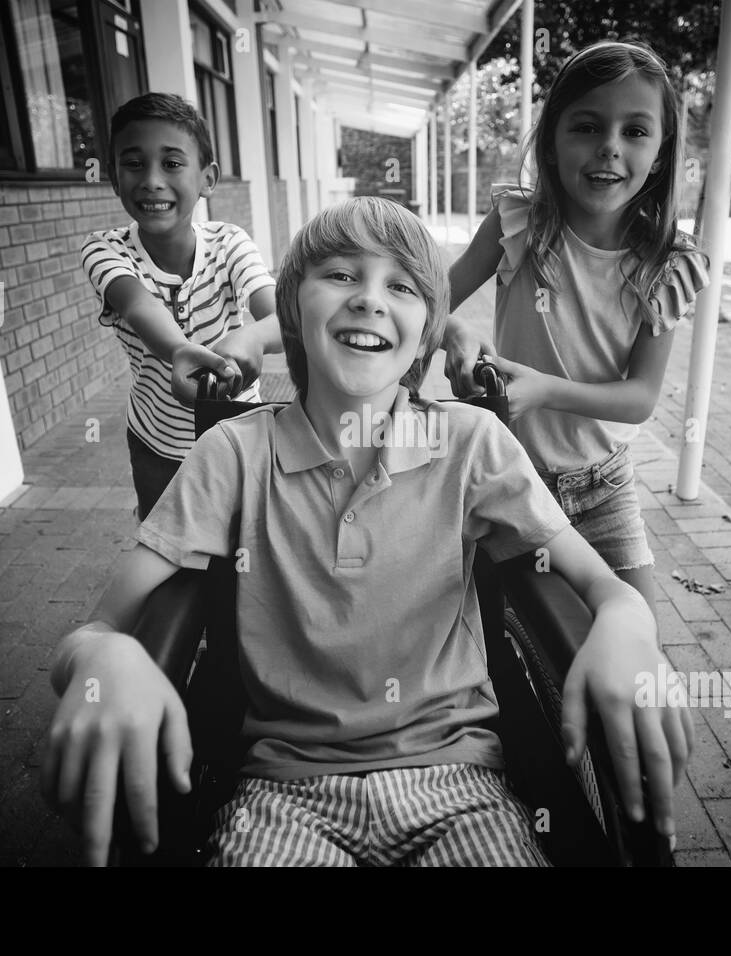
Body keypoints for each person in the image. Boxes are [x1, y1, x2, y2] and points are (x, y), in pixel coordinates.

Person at [43, 198, 692, 867]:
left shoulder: (470, 443)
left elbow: (603, 587)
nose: (370, 301)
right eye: (341, 275)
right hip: (282, 793)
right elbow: (96, 631)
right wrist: (105, 660)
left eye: (402, 286)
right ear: (290, 308)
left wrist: (626, 626)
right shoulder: (232, 455)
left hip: (461, 784)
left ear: (428, 330)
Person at [444, 41, 710, 621]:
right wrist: (453, 332)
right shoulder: (518, 222)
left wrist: (542, 389)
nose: (609, 147)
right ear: (552, 139)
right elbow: (426, 301)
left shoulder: (667, 262)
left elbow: (639, 398)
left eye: (636, 131)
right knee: (494, 643)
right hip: (509, 478)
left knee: (641, 648)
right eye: (587, 126)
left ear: (662, 153)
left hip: (607, 488)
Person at [81, 92, 280, 519]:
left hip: (239, 435)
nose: (152, 179)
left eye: (172, 163)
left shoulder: (229, 243)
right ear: (115, 178)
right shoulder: (104, 250)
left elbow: (285, 317)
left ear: (207, 178)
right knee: (167, 548)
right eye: (133, 164)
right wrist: (178, 351)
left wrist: (252, 336)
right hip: (158, 445)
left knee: (244, 545)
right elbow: (137, 305)